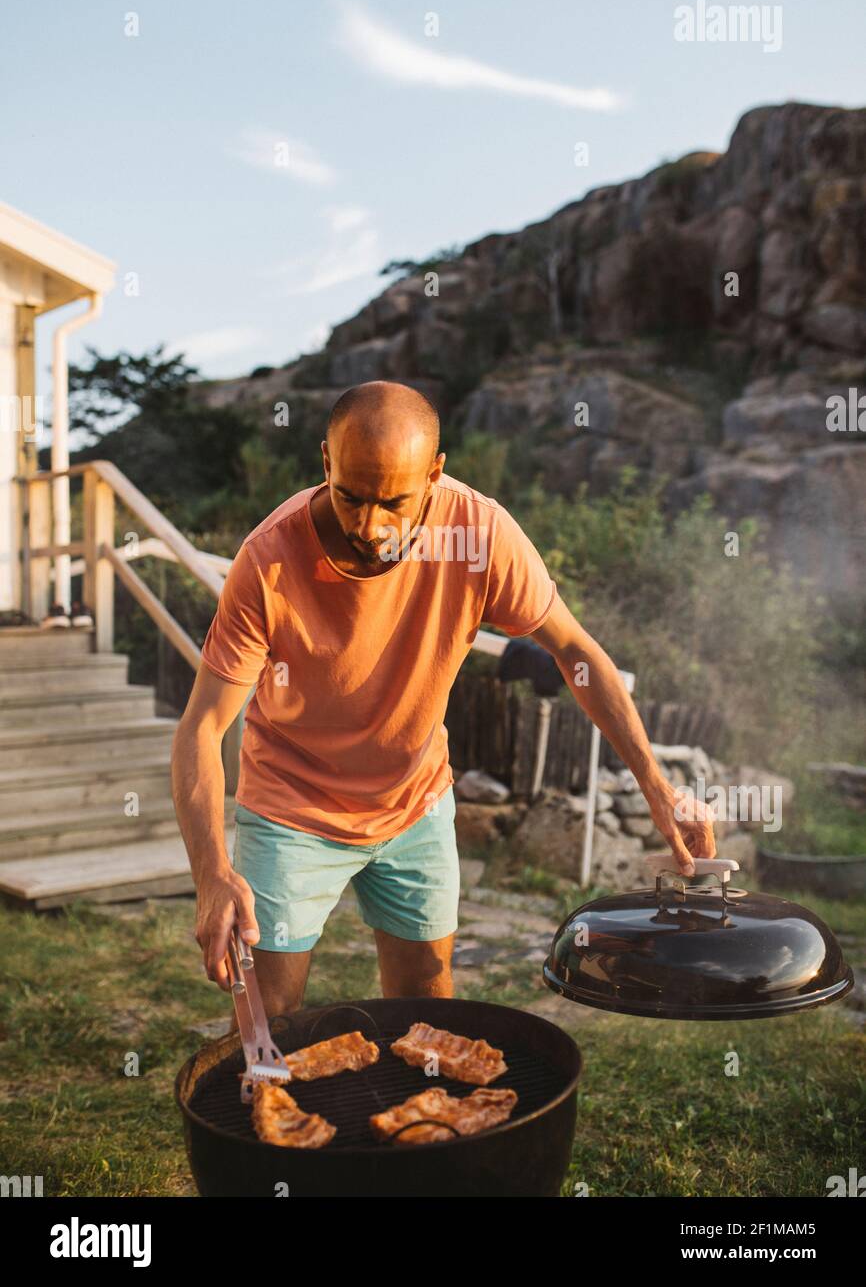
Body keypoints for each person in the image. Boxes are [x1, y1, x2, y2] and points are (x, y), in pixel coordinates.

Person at [172, 380, 714, 1016]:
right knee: (269, 1018)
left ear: (434, 474)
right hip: (293, 810)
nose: (369, 527)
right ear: (326, 462)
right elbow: (202, 728)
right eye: (350, 497)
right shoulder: (266, 561)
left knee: (427, 1014)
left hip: (415, 805)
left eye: (392, 503)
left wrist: (657, 785)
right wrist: (212, 874)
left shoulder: (479, 532)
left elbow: (575, 652)